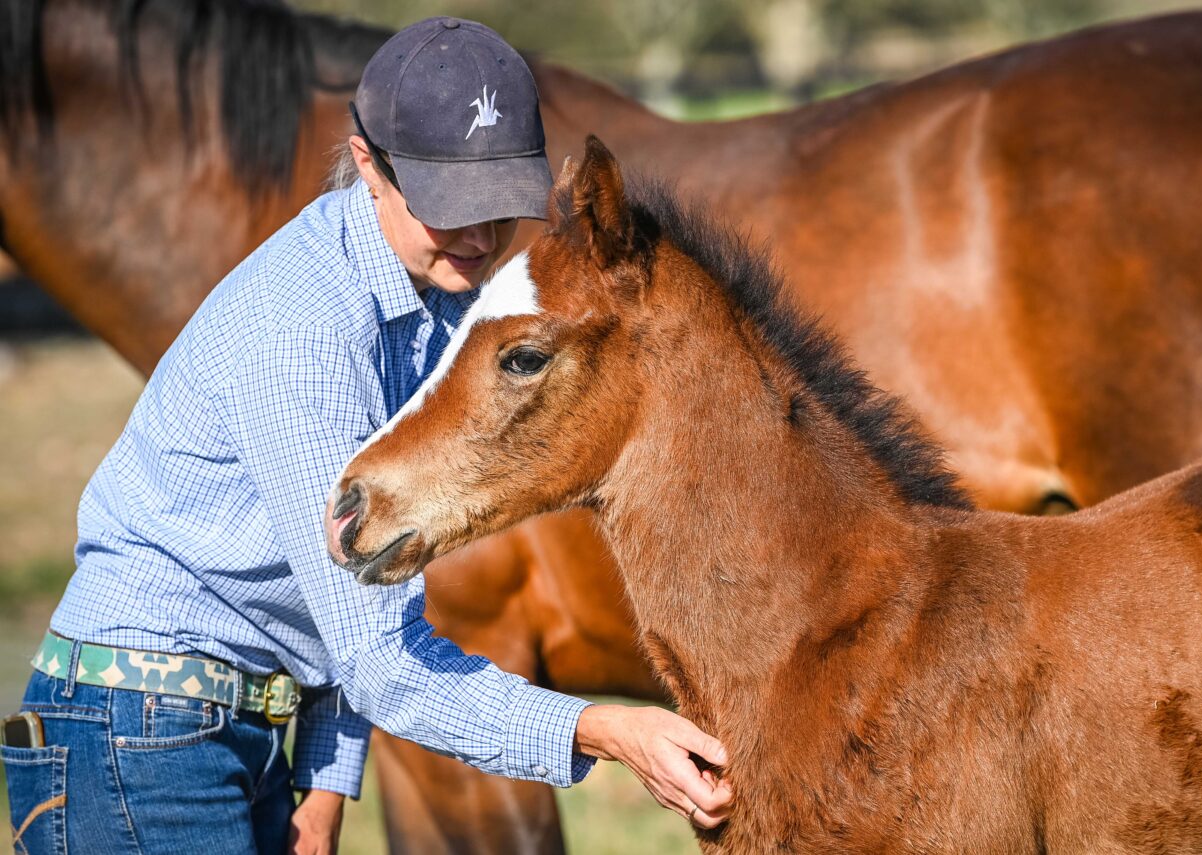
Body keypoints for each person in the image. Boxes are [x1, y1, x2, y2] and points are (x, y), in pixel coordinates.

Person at [1, 17, 731, 855]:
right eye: (449, 207)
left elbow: (361, 569)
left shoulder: (438, 304)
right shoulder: (309, 327)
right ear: (366, 168)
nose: (481, 238)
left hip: (221, 724)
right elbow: (380, 657)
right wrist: (605, 730)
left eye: (499, 206)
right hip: (138, 736)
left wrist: (324, 773)